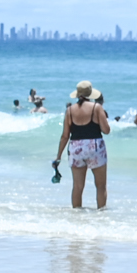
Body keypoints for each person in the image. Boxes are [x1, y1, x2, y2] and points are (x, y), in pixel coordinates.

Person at [52, 81, 111, 209]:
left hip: (76, 148)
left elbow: (65, 136)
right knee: (100, 186)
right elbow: (106, 130)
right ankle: (102, 215)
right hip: (95, 147)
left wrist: (58, 156)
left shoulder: (69, 110)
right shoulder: (96, 108)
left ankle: (76, 215)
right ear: (90, 93)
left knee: (77, 187)